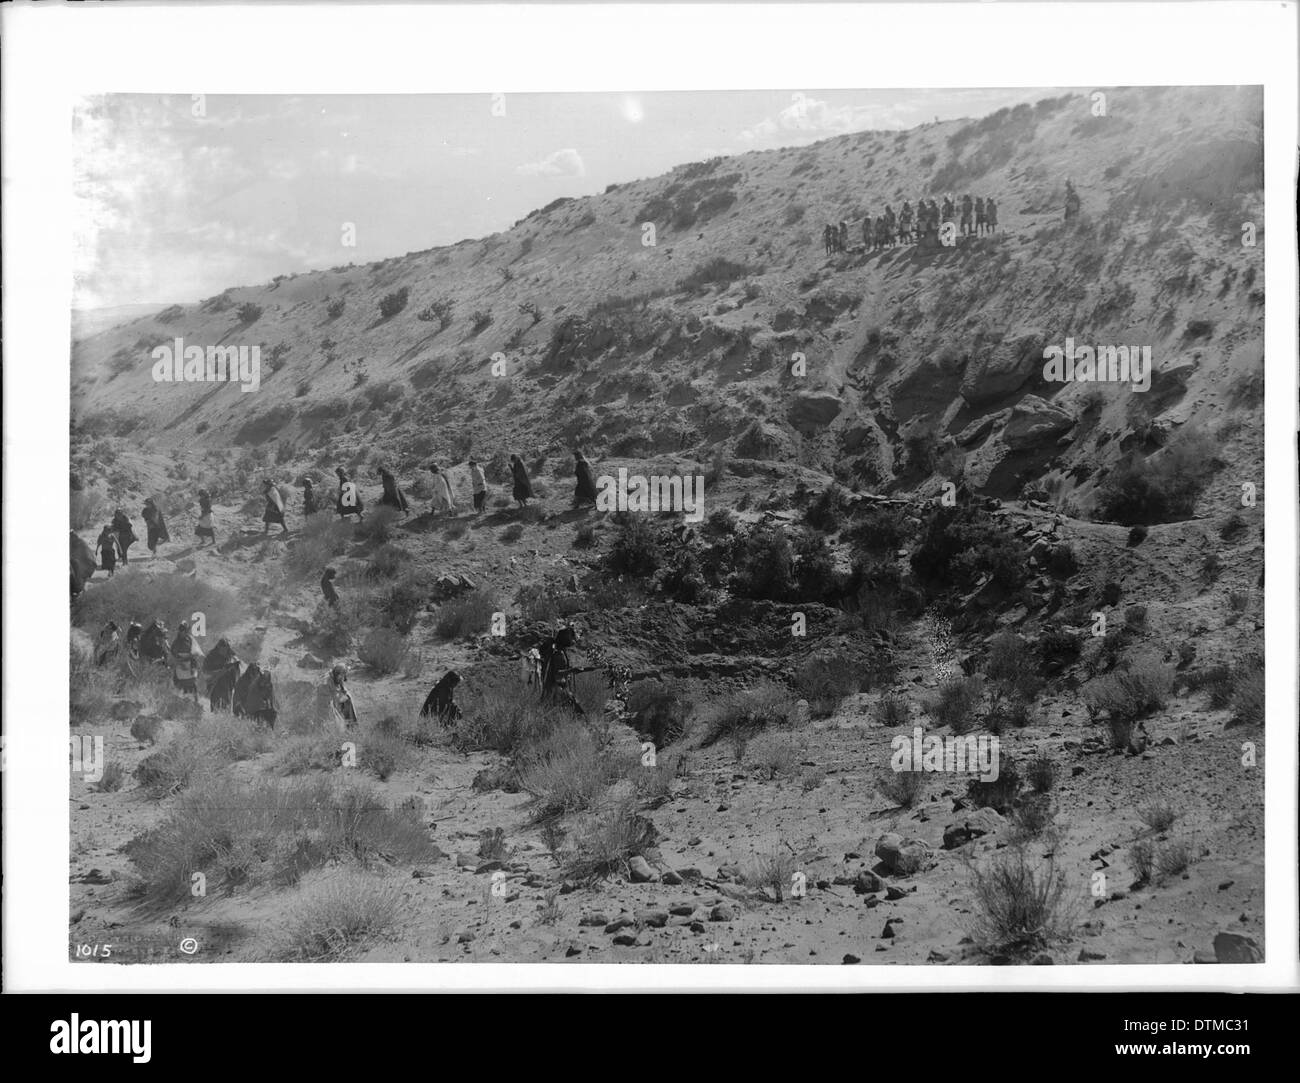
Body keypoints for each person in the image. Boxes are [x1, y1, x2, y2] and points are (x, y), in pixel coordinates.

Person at [538, 626, 584, 714]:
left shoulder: (559, 652)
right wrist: (572, 670)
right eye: (571, 637)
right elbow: (557, 674)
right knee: (578, 713)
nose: (573, 640)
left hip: (557, 688)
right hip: (558, 689)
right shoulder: (559, 654)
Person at [203, 639, 242, 712]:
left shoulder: (232, 657)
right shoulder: (211, 656)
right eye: (222, 648)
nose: (223, 651)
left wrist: (234, 681)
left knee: (226, 705)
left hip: (227, 683)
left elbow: (237, 672)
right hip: (215, 684)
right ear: (218, 647)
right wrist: (218, 672)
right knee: (215, 705)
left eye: (225, 648)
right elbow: (206, 670)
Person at [170, 620, 204, 698]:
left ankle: (195, 699)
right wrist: (180, 663)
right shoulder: (176, 642)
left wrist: (193, 665)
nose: (182, 632)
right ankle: (183, 699)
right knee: (181, 684)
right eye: (181, 630)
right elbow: (173, 654)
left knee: (192, 683)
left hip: (190, 664)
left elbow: (195, 651)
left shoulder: (190, 639)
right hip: (180, 665)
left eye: (184, 630)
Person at [71, 531, 97, 597]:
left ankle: (80, 591)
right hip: (82, 563)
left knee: (79, 577)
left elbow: (84, 552)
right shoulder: (76, 542)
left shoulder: (79, 542)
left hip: (84, 563)